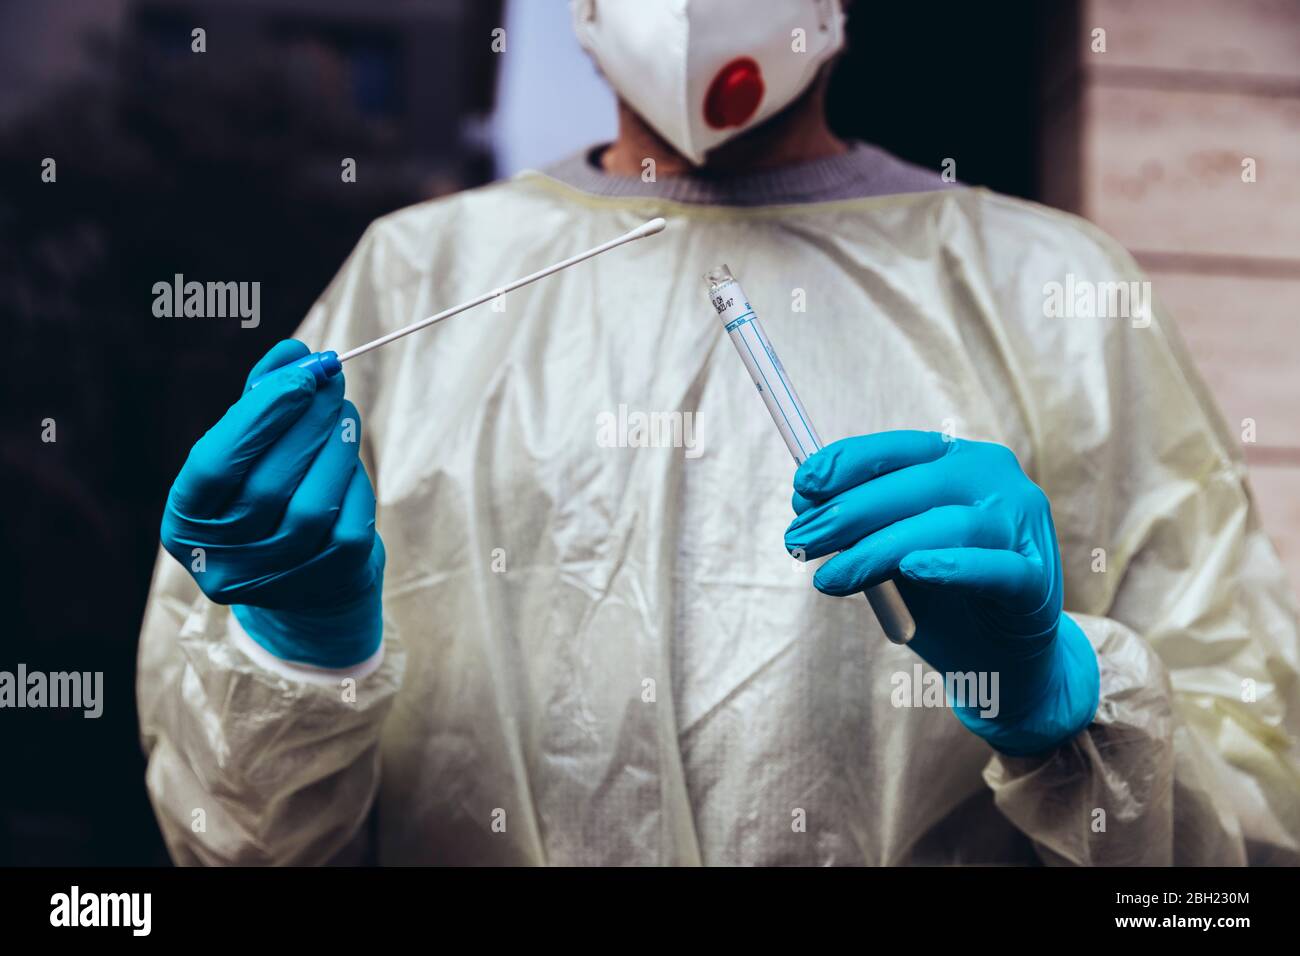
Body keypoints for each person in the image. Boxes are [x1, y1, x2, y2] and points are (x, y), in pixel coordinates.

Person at [137, 0, 1300, 865]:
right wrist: (299, 652)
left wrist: (1060, 696)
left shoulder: (1052, 290)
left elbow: (1242, 848)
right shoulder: (416, 275)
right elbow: (230, 846)